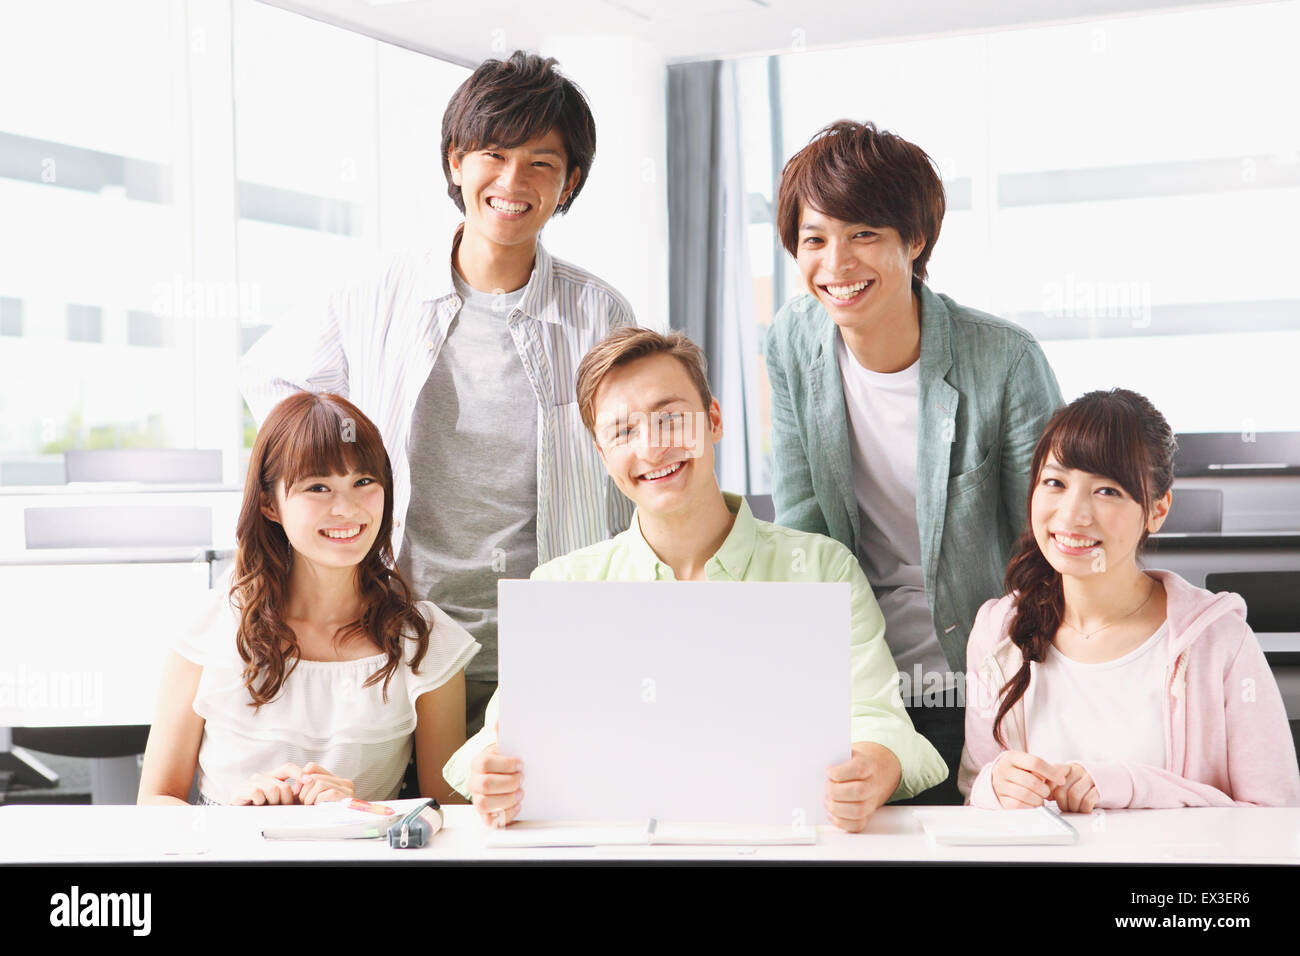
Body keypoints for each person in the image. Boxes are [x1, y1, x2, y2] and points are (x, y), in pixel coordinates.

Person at [239, 51, 636, 740]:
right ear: (456, 161)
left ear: (569, 182)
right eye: (493, 153)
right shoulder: (375, 293)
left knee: (543, 836)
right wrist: (327, 502)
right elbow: (273, 383)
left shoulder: (598, 314)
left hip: (552, 652)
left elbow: (636, 472)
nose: (513, 181)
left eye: (542, 163)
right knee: (406, 829)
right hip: (399, 638)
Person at [442, 327, 947, 832]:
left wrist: (875, 766)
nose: (653, 447)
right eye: (623, 431)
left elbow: (877, 717)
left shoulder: (822, 571)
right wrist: (491, 773)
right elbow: (497, 740)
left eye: (671, 418)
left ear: (714, 420)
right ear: (601, 455)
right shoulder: (560, 588)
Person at [763, 120, 1064, 804]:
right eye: (814, 240)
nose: (836, 264)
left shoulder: (1005, 361)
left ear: (916, 239)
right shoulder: (789, 340)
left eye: (863, 234)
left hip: (985, 683)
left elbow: (1048, 544)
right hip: (858, 684)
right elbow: (802, 526)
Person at [959, 389, 1300, 810]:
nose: (1071, 514)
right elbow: (974, 792)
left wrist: (1130, 786)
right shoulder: (997, 632)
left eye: (1107, 491)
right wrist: (995, 786)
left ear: (1157, 510)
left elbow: (1278, 819)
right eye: (1055, 483)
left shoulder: (1220, 642)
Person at [137, 393, 477, 806]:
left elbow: (450, 818)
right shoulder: (208, 629)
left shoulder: (425, 640)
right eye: (318, 487)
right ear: (269, 504)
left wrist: (361, 812)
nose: (347, 508)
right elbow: (155, 801)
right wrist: (230, 816)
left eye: (364, 482)